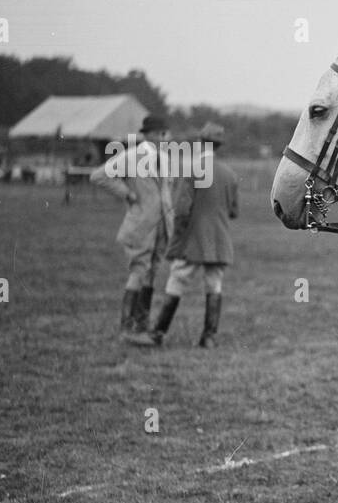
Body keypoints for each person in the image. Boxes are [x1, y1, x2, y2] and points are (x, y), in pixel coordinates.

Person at [135, 122, 239, 348]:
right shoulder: (230, 174)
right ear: (219, 145)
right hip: (219, 240)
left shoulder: (191, 169)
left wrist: (176, 243)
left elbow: (181, 210)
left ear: (201, 142)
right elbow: (233, 211)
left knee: (176, 282)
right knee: (214, 285)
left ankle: (158, 332)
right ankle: (209, 337)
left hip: (192, 238)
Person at [89, 114, 174, 342]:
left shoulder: (164, 158)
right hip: (141, 227)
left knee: (150, 274)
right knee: (139, 272)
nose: (165, 138)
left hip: (162, 228)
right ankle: (127, 329)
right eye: (162, 134)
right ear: (152, 135)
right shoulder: (132, 156)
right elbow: (99, 176)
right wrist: (127, 193)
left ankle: (141, 327)